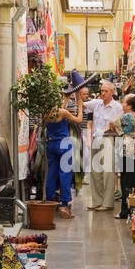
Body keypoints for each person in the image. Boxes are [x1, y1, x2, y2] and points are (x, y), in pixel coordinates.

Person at [83, 79, 123, 211]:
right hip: (96, 138)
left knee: (108, 172)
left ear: (112, 92)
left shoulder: (117, 106)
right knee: (95, 171)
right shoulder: (97, 104)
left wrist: (112, 126)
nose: (103, 93)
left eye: (106, 91)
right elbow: (82, 104)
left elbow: (119, 125)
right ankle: (96, 201)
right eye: (102, 91)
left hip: (108, 139)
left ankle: (107, 203)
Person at [44, 86, 83, 219]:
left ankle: (50, 201)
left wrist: (65, 100)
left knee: (51, 173)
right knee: (65, 174)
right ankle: (64, 205)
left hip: (51, 144)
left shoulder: (45, 112)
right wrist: (80, 106)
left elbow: (58, 112)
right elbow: (78, 120)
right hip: (64, 144)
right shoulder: (62, 112)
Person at [106, 93, 135, 219]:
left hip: (127, 150)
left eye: (124, 102)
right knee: (134, 180)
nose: (122, 104)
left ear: (129, 106)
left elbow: (113, 123)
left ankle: (125, 211)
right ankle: (133, 208)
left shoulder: (127, 116)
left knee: (125, 181)